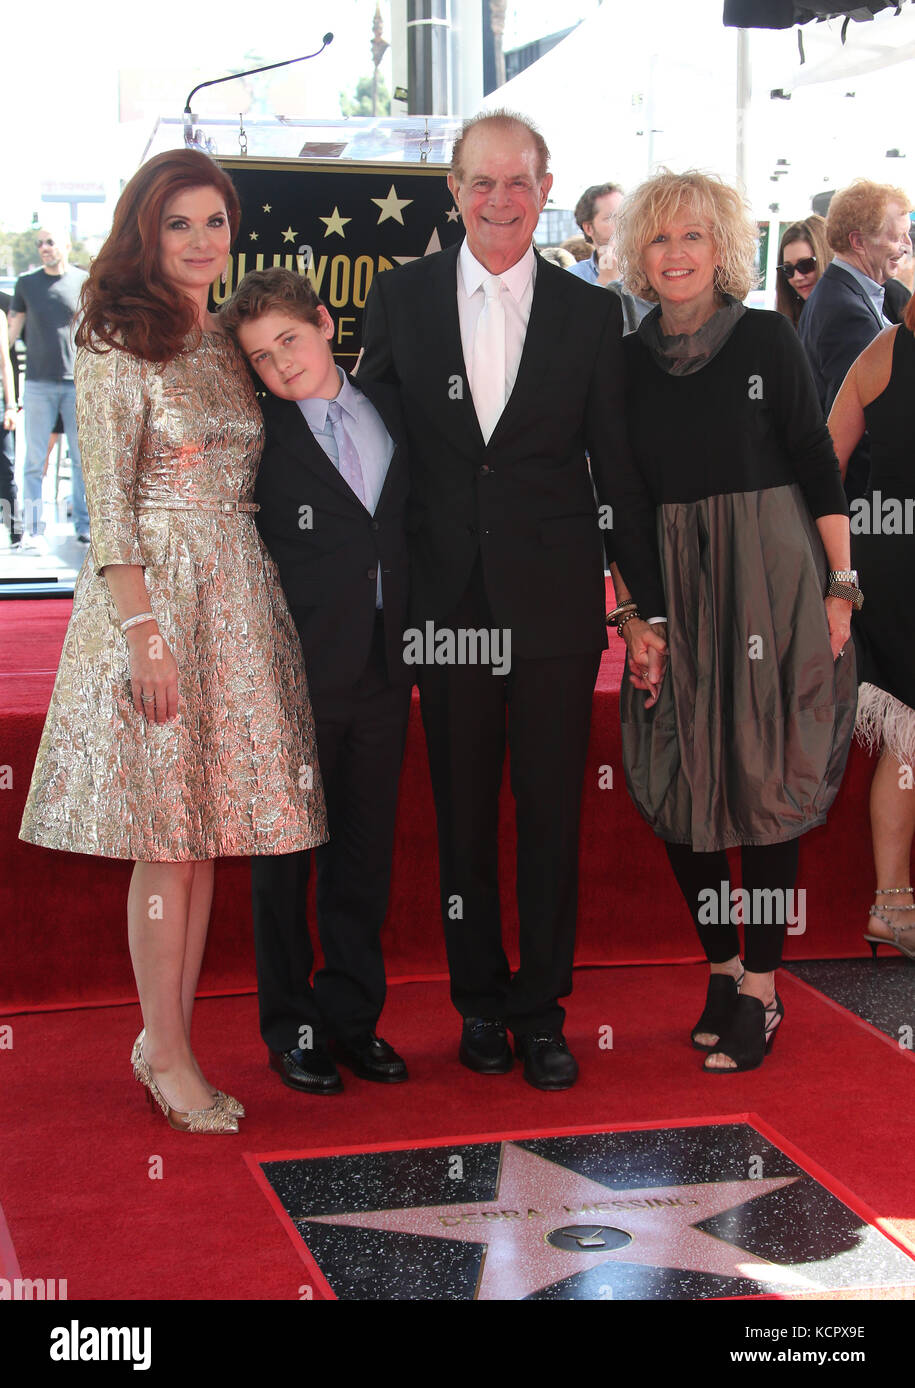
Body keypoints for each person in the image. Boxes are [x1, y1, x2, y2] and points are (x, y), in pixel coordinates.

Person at [19, 149, 327, 1132]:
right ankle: (166, 1044)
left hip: (234, 596)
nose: (201, 242)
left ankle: (167, 1036)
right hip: (152, 602)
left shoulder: (225, 341)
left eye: (216, 223)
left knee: (200, 841)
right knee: (166, 839)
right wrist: (143, 635)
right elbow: (106, 506)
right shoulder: (116, 338)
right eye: (180, 224)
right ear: (144, 233)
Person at [358, 109, 629, 1091]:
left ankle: (543, 1009)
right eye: (481, 181)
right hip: (447, 604)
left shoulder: (593, 314)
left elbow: (618, 470)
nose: (500, 199)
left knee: (552, 814)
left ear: (546, 187)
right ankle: (478, 1005)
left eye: (518, 181)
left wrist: (641, 611)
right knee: (464, 817)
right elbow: (369, 446)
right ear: (454, 191)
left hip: (556, 608)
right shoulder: (403, 300)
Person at [609, 169, 858, 1073]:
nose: (674, 255)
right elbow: (622, 497)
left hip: (773, 573)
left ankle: (762, 982)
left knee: (764, 776)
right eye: (658, 239)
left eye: (692, 238)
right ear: (638, 255)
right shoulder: (625, 359)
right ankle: (719, 966)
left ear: (721, 250)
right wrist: (638, 612)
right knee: (683, 781)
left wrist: (840, 586)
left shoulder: (764, 337)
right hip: (672, 581)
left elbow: (813, 459)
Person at [220, 268, 412, 1094]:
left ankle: (352, 1022)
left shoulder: (392, 407)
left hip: (387, 665)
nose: (282, 366)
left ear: (326, 323)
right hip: (291, 672)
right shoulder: (257, 436)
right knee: (287, 862)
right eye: (261, 358)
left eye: (289, 341)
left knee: (363, 858)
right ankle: (292, 1030)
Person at [827, 303, 915, 962]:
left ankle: (892, 902)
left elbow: (822, 460)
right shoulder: (884, 349)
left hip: (884, 555)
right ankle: (890, 902)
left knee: (910, 736)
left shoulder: (884, 349)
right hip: (896, 568)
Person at [798, 179, 912, 501]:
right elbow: (858, 430)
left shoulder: (842, 295)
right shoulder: (846, 313)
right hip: (869, 509)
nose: (906, 245)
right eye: (896, 236)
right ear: (858, 241)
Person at [8, 224, 90, 542]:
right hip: (38, 385)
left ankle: (83, 526)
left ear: (66, 245)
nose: (44, 247)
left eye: (50, 242)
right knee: (33, 461)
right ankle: (33, 528)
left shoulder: (84, 282)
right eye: (40, 243)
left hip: (76, 385)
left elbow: (95, 330)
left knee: (82, 461)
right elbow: (11, 332)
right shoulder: (26, 284)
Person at [567, 180, 653, 332]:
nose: (622, 224)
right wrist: (605, 283)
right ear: (588, 228)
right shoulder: (572, 278)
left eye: (625, 215)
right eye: (611, 218)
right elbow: (572, 333)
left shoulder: (652, 270)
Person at [775, 214, 830, 328]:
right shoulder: (786, 325)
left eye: (805, 265)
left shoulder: (845, 317)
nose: (797, 277)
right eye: (787, 269)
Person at [0, 308, 21, 548]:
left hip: (1, 407)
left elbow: (6, 363)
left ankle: (15, 532)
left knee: (6, 470)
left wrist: (10, 405)